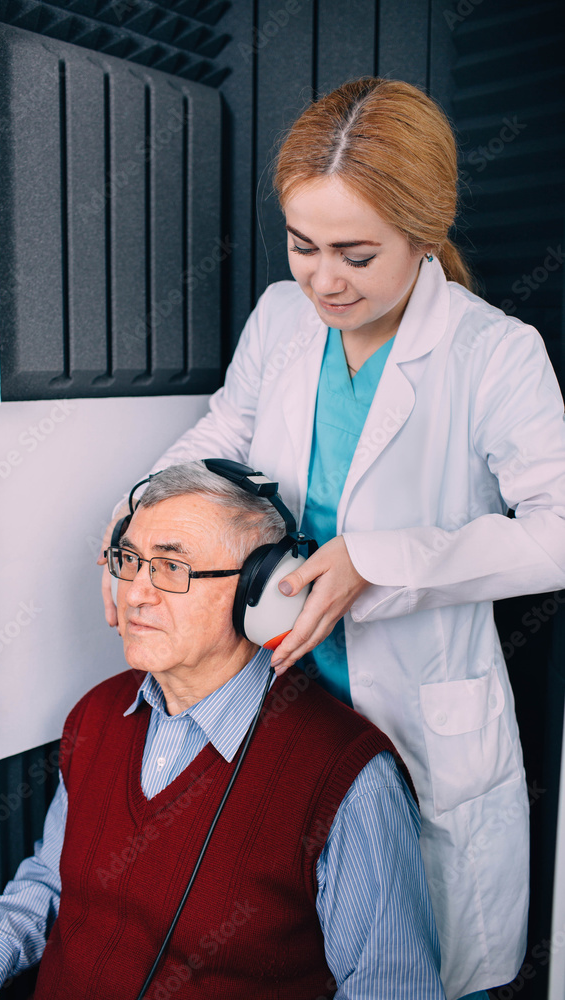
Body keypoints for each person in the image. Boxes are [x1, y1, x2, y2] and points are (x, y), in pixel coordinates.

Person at [98, 78, 565, 999]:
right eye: (302, 245)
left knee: (419, 962)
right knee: (288, 942)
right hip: (278, 685)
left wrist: (377, 561)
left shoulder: (493, 353)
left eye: (355, 254)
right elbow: (225, 431)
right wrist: (136, 515)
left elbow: (555, 533)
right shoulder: (283, 316)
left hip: (412, 711)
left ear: (423, 233)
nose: (323, 280)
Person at [0, 461, 444, 1000]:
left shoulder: (348, 775)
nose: (134, 593)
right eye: (129, 560)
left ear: (260, 594)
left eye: (171, 568)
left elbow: (390, 987)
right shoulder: (95, 714)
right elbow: (51, 880)